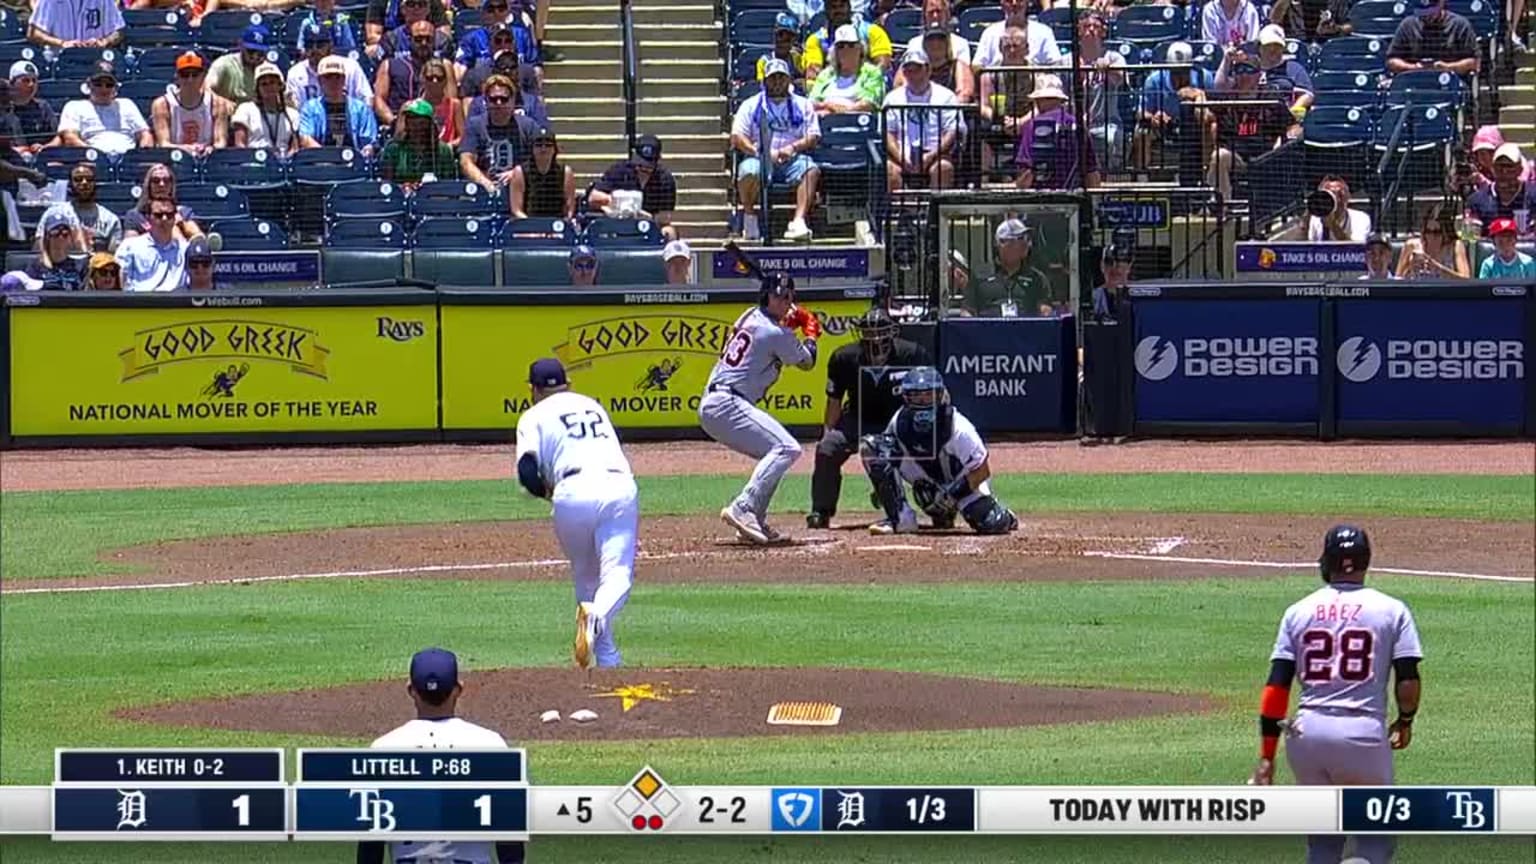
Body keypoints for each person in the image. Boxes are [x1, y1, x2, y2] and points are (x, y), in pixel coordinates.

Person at [1250, 525, 1422, 864]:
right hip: (1362, 736)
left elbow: (1276, 687)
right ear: (1365, 560)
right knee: (1375, 844)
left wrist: (1267, 757)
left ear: (1327, 561)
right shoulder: (1392, 610)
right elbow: (1407, 679)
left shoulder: (1298, 611)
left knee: (1323, 845)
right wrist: (1405, 720)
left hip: (1306, 736)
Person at [514, 359, 639, 669]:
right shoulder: (592, 406)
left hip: (571, 492)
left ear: (533, 389)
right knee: (617, 575)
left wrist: (549, 494)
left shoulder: (531, 416)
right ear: (567, 384)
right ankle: (598, 624)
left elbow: (527, 472)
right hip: (616, 486)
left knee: (586, 579)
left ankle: (608, 658)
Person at [355, 647, 525, 864]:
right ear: (458, 689)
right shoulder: (492, 746)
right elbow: (510, 846)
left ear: (411, 690)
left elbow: (370, 848)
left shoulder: (382, 750)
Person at [699, 274, 820, 545]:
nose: (784, 301)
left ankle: (754, 519)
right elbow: (807, 362)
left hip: (717, 403)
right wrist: (810, 333)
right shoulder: (775, 333)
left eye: (788, 297)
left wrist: (787, 325)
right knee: (787, 448)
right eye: (778, 296)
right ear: (766, 296)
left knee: (774, 452)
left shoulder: (749, 315)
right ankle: (743, 507)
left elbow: (773, 337)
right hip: (728, 402)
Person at [808, 307, 931, 530]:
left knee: (932, 451)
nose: (875, 339)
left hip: (897, 421)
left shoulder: (912, 355)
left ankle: (938, 508)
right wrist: (828, 432)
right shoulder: (843, 358)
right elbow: (834, 400)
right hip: (858, 418)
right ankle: (821, 510)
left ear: (892, 332)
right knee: (827, 448)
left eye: (880, 333)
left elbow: (928, 396)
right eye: (869, 333)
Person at [861, 367, 1018, 535]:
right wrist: (884, 491)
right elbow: (885, 454)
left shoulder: (959, 427)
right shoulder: (899, 421)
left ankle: (1006, 516)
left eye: (928, 395)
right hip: (923, 478)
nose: (922, 401)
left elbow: (981, 470)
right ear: (906, 397)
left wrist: (952, 495)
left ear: (940, 395)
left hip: (960, 479)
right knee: (872, 447)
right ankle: (901, 518)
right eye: (916, 395)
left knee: (991, 523)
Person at [730, 59, 822, 242]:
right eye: (773, 78)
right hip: (759, 156)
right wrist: (759, 152)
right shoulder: (750, 105)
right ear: (765, 81)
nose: (777, 82)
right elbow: (737, 136)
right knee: (747, 171)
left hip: (792, 157)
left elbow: (813, 135)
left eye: (782, 77)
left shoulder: (803, 104)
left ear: (789, 80)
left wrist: (793, 147)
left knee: (811, 170)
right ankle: (749, 217)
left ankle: (798, 221)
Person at [1206, 54, 1299, 205]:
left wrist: (1282, 143)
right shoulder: (1226, 99)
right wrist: (1196, 94)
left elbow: (1293, 126)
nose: (1243, 76)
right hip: (1237, 157)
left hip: (1266, 157)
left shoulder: (1270, 97)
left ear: (1258, 75)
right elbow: (1203, 102)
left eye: (1248, 71)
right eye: (1239, 71)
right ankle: (1222, 206)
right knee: (1220, 156)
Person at [883, 49, 959, 193]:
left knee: (943, 168)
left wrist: (931, 155)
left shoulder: (946, 96)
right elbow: (888, 133)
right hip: (901, 155)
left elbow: (951, 131)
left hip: (936, 154)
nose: (913, 75)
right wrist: (901, 158)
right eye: (908, 70)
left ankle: (934, 207)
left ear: (928, 70)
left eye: (917, 69)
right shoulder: (892, 98)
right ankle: (902, 207)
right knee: (889, 169)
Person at [1134, 41, 1213, 172]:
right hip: (1163, 128)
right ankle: (1142, 176)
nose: (1179, 76)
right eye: (1175, 72)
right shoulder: (1154, 80)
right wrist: (1153, 117)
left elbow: (1213, 114)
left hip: (1195, 127)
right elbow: (1140, 112)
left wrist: (1199, 96)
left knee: (1211, 127)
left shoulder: (1204, 77)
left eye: (1184, 71)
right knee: (1141, 131)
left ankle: (1206, 175)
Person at [1058, 13, 1125, 169]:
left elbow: (1120, 79)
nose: (1091, 30)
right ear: (1079, 31)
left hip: (1105, 123)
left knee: (1109, 139)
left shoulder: (1114, 58)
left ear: (1104, 32)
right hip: (1072, 121)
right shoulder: (1066, 61)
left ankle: (1105, 181)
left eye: (1096, 26)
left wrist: (1108, 68)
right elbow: (1058, 93)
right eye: (1086, 26)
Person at [1014, 76, 1101, 191]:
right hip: (1074, 195)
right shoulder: (1078, 125)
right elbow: (1091, 172)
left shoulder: (1033, 126)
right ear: (1061, 100)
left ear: (1038, 100)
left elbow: (1026, 174)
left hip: (1040, 196)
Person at [459, 74, 539, 192]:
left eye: (504, 99)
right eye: (493, 99)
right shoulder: (475, 125)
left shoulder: (528, 126)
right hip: (484, 190)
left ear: (513, 100)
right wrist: (486, 183)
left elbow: (542, 158)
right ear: (486, 101)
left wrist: (518, 173)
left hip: (521, 190)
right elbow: (466, 161)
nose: (499, 103)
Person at [961, 218, 1055, 316]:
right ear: (1002, 244)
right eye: (1019, 239)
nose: (1026, 244)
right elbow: (967, 310)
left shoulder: (1037, 278)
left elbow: (1045, 310)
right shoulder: (980, 276)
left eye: (1026, 239)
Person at [590, 134, 678, 239]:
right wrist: (618, 202)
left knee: (669, 232)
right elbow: (593, 197)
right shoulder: (619, 170)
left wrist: (647, 217)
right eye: (640, 165)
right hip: (616, 223)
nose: (644, 169)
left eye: (649, 166)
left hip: (648, 225)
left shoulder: (665, 180)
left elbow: (665, 217)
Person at [55, 62, 151, 155]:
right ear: (89, 85)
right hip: (91, 159)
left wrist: (142, 154)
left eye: (109, 85)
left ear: (115, 88)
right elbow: (70, 138)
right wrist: (95, 155)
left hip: (127, 158)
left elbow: (145, 134)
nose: (103, 89)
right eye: (98, 84)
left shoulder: (127, 104)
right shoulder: (74, 106)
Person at [977, 25, 1035, 179]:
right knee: (981, 130)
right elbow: (984, 106)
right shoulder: (989, 74)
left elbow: (1041, 107)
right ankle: (985, 179)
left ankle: (1026, 180)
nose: (1012, 51)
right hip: (1000, 121)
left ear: (1026, 49)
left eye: (1016, 46)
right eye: (1007, 47)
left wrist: (1021, 122)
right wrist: (1001, 119)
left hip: (1028, 120)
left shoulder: (1037, 73)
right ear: (1000, 49)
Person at [376, 19, 454, 130]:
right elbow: (379, 99)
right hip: (400, 123)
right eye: (418, 39)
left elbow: (451, 102)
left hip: (435, 124)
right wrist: (394, 122)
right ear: (410, 39)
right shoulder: (390, 64)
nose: (423, 43)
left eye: (428, 39)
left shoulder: (444, 65)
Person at [151, 52, 232, 155]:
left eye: (195, 75)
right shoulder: (162, 105)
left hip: (208, 158)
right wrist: (187, 149)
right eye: (185, 75)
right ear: (177, 77)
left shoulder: (218, 104)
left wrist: (211, 149)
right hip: (174, 157)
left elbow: (220, 142)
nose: (190, 80)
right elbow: (164, 144)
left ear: (203, 76)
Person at [299, 56, 380, 153]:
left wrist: (366, 151)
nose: (333, 82)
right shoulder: (310, 108)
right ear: (320, 81)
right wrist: (328, 156)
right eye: (328, 77)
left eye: (337, 77)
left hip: (353, 158)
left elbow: (368, 141)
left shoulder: (361, 109)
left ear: (344, 79)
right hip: (320, 159)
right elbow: (306, 138)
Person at [287, 23, 375, 106]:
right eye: (309, 45)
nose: (315, 49)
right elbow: (294, 108)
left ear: (330, 46)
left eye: (320, 45)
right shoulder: (295, 73)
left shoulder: (351, 67)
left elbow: (366, 99)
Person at [803, 0, 894, 79]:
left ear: (849, 7)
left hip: (868, 83)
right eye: (833, 7)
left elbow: (883, 64)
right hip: (832, 86)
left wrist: (866, 83)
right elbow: (813, 71)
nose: (838, 10)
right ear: (826, 10)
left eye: (842, 6)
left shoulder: (872, 31)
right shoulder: (816, 39)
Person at [41, 162, 121, 252]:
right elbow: (39, 249)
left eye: (89, 179)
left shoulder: (110, 219)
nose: (84, 183)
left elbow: (112, 255)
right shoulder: (53, 213)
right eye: (78, 179)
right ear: (70, 184)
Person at [1386, 0, 1479, 76]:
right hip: (1415, 83)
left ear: (1441, 4)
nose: (1426, 16)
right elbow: (1392, 61)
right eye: (1422, 13)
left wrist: (1447, 67)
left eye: (1431, 12)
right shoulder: (1408, 25)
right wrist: (1414, 68)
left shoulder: (1460, 25)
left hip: (1450, 83)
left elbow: (1474, 62)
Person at [378, 99, 460, 185]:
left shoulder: (443, 150)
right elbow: (386, 183)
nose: (415, 125)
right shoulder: (394, 149)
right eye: (410, 119)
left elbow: (449, 184)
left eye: (419, 121)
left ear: (429, 123)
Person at [810, 25, 886, 115]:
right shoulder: (826, 74)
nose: (846, 49)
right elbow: (812, 102)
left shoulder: (872, 73)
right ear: (835, 51)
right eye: (841, 46)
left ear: (860, 49)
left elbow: (868, 104)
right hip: (825, 119)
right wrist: (826, 108)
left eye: (851, 45)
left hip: (858, 120)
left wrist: (834, 109)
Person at [115, 199, 188, 292]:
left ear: (174, 218)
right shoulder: (129, 246)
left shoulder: (185, 249)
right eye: (158, 215)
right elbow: (122, 281)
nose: (164, 219)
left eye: (169, 215)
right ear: (148, 218)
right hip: (140, 299)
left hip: (176, 299)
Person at [1465, 143, 1536, 236]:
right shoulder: (1477, 201)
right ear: (1492, 168)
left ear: (1520, 169)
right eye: (1500, 166)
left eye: (1509, 166)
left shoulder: (1533, 195)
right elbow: (1470, 236)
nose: (1504, 171)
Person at [1275, 175, 1371, 241]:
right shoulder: (1314, 219)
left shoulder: (1360, 218)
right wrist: (1306, 221)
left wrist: (1333, 225)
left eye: (1340, 194)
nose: (1337, 200)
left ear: (1348, 197)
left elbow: (1355, 250)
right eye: (1330, 195)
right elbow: (1298, 247)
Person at [122, 164, 203, 241]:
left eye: (166, 180)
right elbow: (130, 245)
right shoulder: (135, 215)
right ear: (149, 185)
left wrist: (180, 224)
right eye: (156, 181)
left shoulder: (184, 212)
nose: (161, 184)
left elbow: (196, 237)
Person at [233, 63, 301, 155]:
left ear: (280, 86)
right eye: (264, 84)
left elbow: (294, 147)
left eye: (272, 82)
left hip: (283, 159)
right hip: (254, 160)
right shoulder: (245, 110)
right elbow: (240, 144)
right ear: (257, 89)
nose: (269, 87)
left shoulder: (292, 114)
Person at [973, 0, 1061, 69]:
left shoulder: (1044, 32)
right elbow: (977, 66)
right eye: (1009, 1)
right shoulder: (989, 33)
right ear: (1002, 3)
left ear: (1027, 2)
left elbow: (1056, 65)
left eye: (1019, 0)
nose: (1014, 4)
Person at [508, 126, 572, 218]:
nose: (543, 149)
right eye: (538, 145)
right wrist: (532, 224)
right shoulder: (520, 172)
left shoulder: (565, 172)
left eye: (548, 145)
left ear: (554, 149)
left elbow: (569, 208)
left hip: (556, 222)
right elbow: (516, 210)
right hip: (528, 222)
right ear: (532, 148)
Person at [1396, 203, 1470, 279]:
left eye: (1437, 232)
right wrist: (1409, 267)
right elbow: (1397, 278)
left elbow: (1465, 279)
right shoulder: (1411, 246)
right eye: (1428, 231)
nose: (1431, 237)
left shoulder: (1455, 247)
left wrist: (1437, 267)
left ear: (1445, 233)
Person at [1252, 23, 1313, 112]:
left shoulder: (1294, 68)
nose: (1273, 49)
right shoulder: (1250, 69)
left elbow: (1307, 95)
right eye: (1268, 45)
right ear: (1259, 47)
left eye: (1277, 45)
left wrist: (1292, 112)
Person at [207, 25, 274, 105]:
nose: (255, 57)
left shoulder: (269, 70)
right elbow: (206, 89)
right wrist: (223, 103)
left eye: (260, 53)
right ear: (241, 45)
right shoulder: (224, 64)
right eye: (251, 51)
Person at [365, 0, 450, 61]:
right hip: (396, 45)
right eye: (411, 4)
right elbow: (372, 37)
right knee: (373, 50)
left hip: (428, 45)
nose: (416, 8)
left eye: (421, 4)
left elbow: (444, 34)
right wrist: (405, 42)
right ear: (403, 8)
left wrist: (420, 41)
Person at [26, 210, 87, 290]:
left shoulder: (78, 265)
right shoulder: (36, 267)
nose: (60, 237)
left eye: (65, 233)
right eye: (55, 232)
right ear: (47, 237)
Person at [27, 0, 124, 48]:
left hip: (95, 59)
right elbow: (34, 33)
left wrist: (103, 42)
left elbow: (118, 32)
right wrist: (62, 43)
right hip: (59, 61)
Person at [9, 62, 56, 152]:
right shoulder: (3, 108)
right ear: (12, 83)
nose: (31, 85)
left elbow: (57, 138)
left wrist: (44, 147)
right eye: (25, 80)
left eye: (34, 80)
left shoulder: (43, 107)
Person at [293, 0, 361, 54]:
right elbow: (300, 48)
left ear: (333, 1)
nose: (324, 4)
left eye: (327, 0)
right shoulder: (307, 23)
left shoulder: (341, 21)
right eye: (320, 0)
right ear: (315, 2)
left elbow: (349, 48)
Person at [420, 58, 461, 147]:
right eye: (430, 78)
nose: (435, 81)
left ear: (445, 80)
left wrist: (447, 147)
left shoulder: (454, 105)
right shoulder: (412, 107)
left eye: (439, 78)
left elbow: (462, 137)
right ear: (423, 79)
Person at [756, 13, 807, 83]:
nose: (782, 43)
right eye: (780, 35)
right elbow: (761, 85)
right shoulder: (764, 61)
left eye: (788, 39)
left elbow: (806, 77)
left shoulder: (796, 58)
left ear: (794, 41)